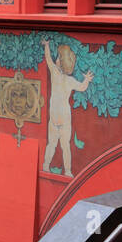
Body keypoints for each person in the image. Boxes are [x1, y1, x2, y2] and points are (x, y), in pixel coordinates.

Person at [42, 40, 92, 177]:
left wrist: (46, 45)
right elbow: (82, 87)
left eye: (58, 57)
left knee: (52, 144)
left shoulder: (55, 74)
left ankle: (47, 165)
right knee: (65, 146)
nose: (56, 59)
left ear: (61, 62)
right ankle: (67, 171)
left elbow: (48, 59)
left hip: (55, 115)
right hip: (64, 115)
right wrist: (86, 79)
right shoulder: (68, 80)